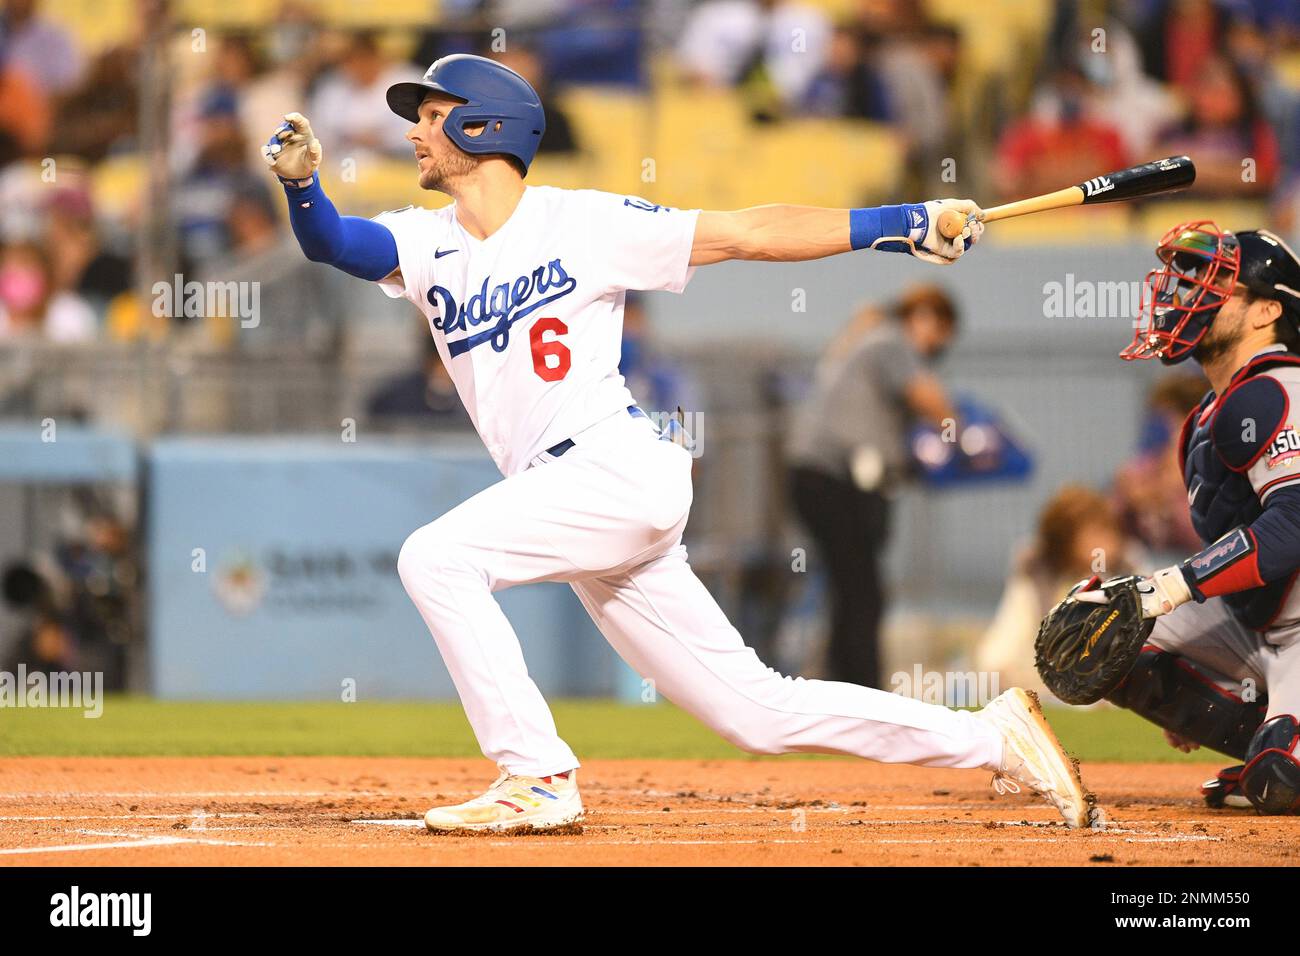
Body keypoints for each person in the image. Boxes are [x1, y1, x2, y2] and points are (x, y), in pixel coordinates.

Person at [260, 53, 1092, 832]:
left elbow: (748, 231)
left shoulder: (583, 222)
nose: (415, 130)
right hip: (578, 499)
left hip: (609, 467)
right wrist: (303, 187)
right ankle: (991, 737)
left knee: (435, 559)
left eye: (433, 114)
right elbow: (333, 241)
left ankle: (538, 776)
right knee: (755, 711)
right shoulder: (426, 240)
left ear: (483, 127)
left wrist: (901, 220)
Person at [1062, 221, 1300, 816]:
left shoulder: (1279, 388)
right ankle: (1265, 736)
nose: (1187, 292)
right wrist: (1199, 697)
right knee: (1092, 630)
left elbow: (1293, 524)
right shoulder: (1207, 415)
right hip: (1263, 627)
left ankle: (1278, 753)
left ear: (1266, 310)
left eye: (1218, 281)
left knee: (1279, 785)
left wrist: (1170, 587)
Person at [786, 285, 959, 689]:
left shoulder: (869, 338)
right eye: (941, 331)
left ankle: (839, 685)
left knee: (852, 589)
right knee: (863, 592)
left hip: (826, 478)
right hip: (832, 479)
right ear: (925, 318)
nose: (939, 345)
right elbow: (932, 402)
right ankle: (861, 688)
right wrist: (969, 435)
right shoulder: (890, 341)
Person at [976, 486, 1131, 696]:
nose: (1104, 542)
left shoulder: (1129, 569)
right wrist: (997, 668)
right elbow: (1009, 633)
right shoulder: (1035, 571)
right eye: (1092, 532)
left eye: (1106, 530)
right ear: (1065, 539)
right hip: (1041, 682)